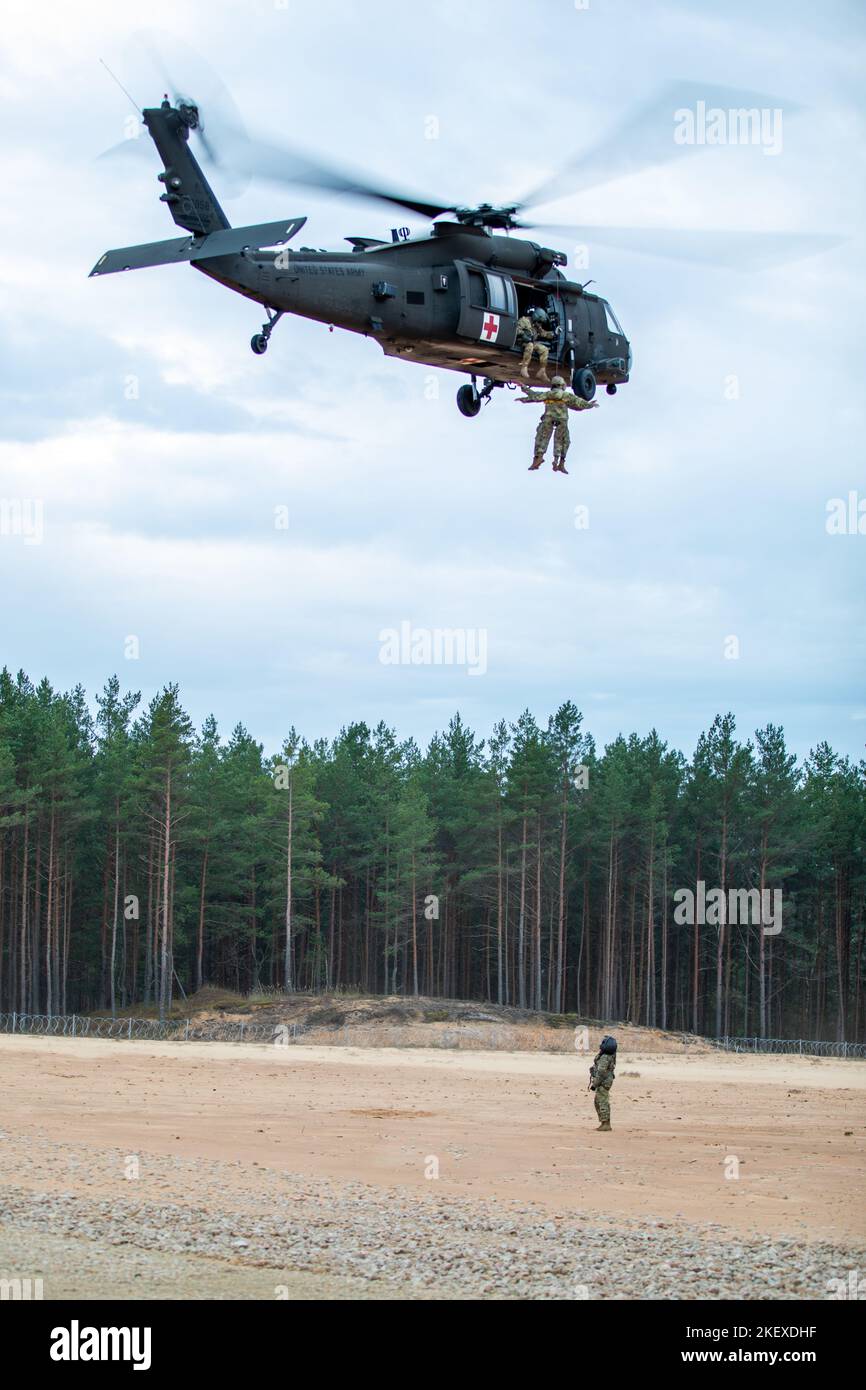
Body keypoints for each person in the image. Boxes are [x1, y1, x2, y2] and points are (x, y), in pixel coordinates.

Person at [517, 375, 599, 473]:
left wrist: (523, 389)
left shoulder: (548, 394)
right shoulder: (566, 396)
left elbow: (534, 396)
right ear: (561, 385)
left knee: (541, 439)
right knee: (563, 442)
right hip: (562, 422)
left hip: (548, 420)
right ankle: (560, 463)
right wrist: (590, 405)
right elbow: (579, 402)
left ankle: (538, 459)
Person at [515, 307, 554, 381]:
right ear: (535, 318)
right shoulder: (524, 321)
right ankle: (524, 368)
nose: (540, 324)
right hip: (521, 342)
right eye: (539, 322)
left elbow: (543, 333)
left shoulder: (537, 325)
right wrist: (523, 334)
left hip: (531, 342)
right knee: (530, 345)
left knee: (544, 349)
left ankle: (542, 371)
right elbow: (516, 329)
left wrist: (553, 334)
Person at [589, 1034, 617, 1131]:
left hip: (603, 1082)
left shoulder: (605, 1057)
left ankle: (606, 1124)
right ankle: (604, 1122)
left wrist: (594, 1084)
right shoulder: (610, 1055)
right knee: (599, 1101)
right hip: (606, 1081)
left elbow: (601, 1073)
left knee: (602, 1102)